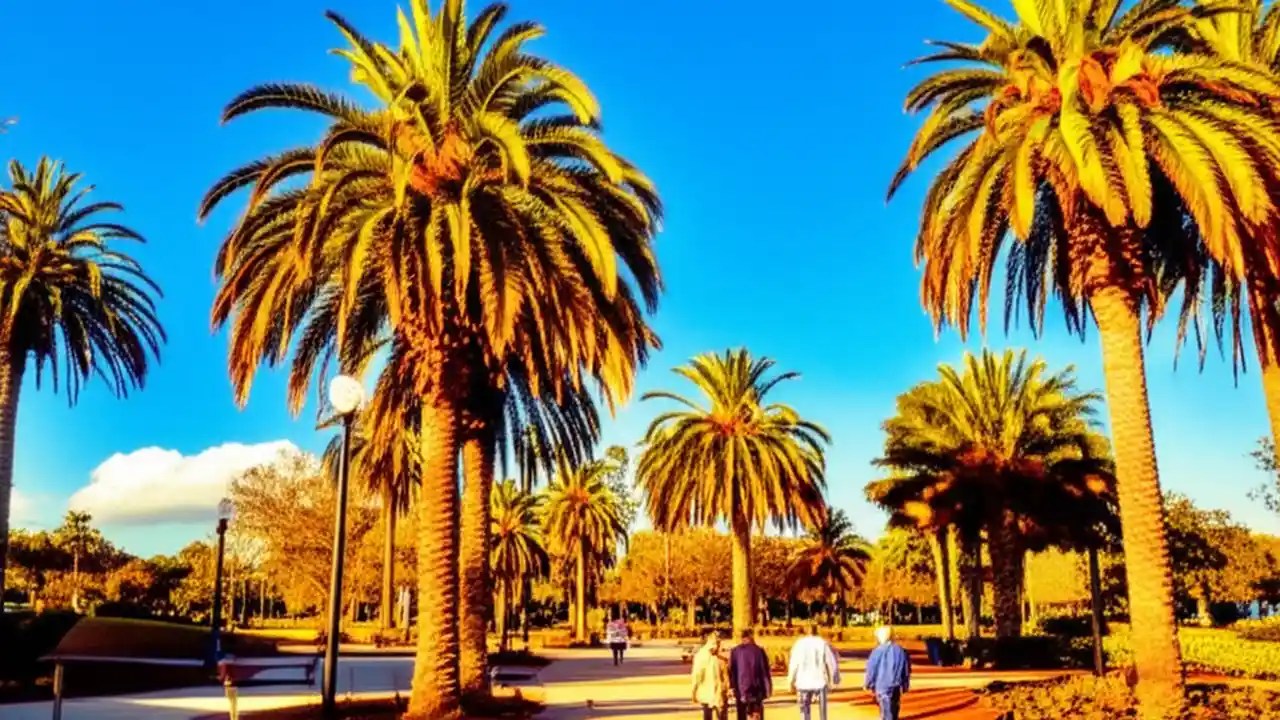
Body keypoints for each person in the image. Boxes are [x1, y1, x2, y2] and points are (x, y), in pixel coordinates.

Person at [786, 624, 841, 720]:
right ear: (817, 631)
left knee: (804, 712)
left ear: (806, 632)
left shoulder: (799, 644)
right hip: (820, 682)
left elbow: (793, 664)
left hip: (803, 683)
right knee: (823, 713)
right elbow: (831, 662)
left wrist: (790, 681)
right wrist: (835, 679)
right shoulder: (822, 643)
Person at [863, 626, 911, 720]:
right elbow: (906, 669)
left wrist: (868, 683)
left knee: (886, 712)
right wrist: (905, 684)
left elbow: (872, 669)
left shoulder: (878, 651)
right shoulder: (901, 650)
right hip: (896, 685)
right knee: (894, 708)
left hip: (883, 685)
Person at [729, 628, 772, 720]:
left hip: (740, 689)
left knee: (741, 713)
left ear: (742, 638)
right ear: (751, 637)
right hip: (756, 688)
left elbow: (732, 671)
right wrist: (767, 689)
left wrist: (732, 687)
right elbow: (764, 671)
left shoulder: (735, 651)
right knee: (756, 713)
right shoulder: (759, 651)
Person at [691, 631, 731, 720]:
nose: (718, 646)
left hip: (711, 690)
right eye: (717, 643)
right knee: (717, 713)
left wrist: (694, 690)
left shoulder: (701, 655)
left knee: (710, 713)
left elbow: (697, 675)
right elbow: (726, 675)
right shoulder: (713, 656)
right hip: (715, 690)